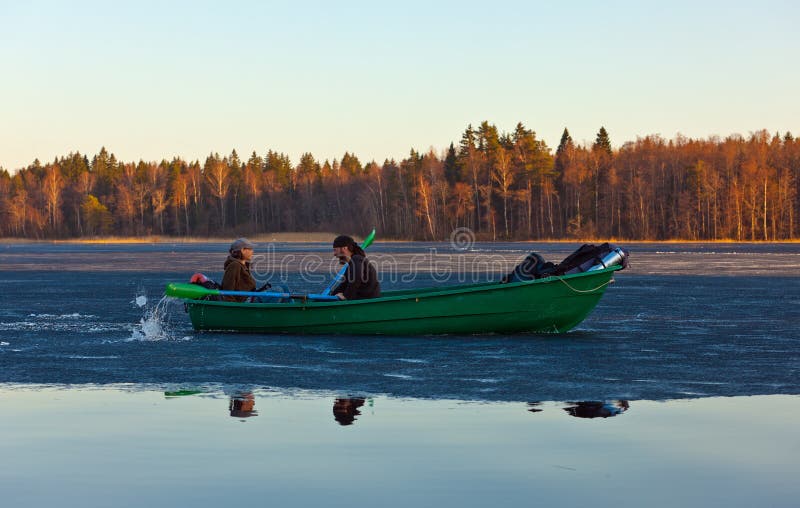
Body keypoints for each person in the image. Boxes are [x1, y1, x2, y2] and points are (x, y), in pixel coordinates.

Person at [331, 235, 381, 300]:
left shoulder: (356, 259)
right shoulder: (351, 264)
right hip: (362, 298)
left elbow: (357, 278)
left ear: (344, 248)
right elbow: (344, 285)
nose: (334, 254)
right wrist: (331, 295)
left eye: (335, 250)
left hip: (368, 300)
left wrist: (346, 296)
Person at [221, 237, 256, 302]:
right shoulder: (234, 266)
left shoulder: (244, 266)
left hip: (251, 298)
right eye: (250, 249)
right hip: (244, 303)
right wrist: (236, 308)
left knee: (276, 290)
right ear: (242, 250)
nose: (252, 251)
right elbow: (227, 291)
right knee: (277, 290)